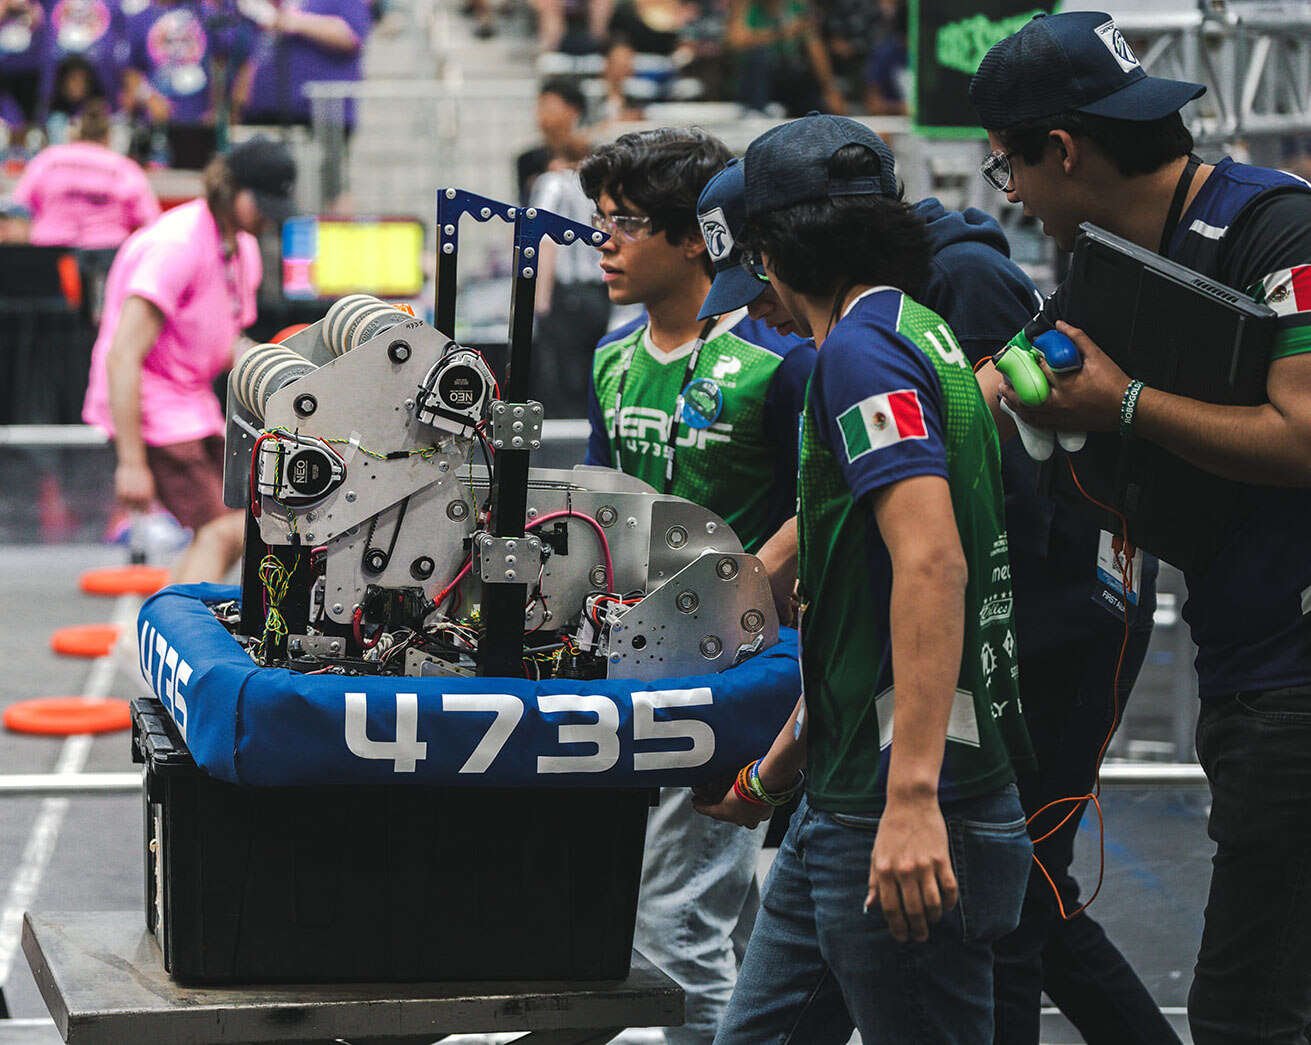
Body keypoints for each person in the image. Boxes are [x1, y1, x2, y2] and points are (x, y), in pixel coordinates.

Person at [970, 13, 1311, 1044]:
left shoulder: (1279, 226)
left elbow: (1307, 431)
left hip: (1297, 680)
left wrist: (1120, 407)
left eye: (1008, 168)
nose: (1013, 196)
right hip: (1245, 664)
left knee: (1246, 1014)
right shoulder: (1110, 268)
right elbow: (978, 399)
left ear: (1061, 151)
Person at [697, 112, 1034, 1042]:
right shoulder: (915, 329)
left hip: (905, 808)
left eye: (748, 276)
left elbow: (930, 561)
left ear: (769, 253)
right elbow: (858, 611)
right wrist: (770, 779)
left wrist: (914, 797)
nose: (750, 306)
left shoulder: (857, 354)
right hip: (842, 801)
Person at [578, 126, 815, 1045]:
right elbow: (598, 505)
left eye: (627, 222)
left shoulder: (778, 361)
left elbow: (829, 505)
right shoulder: (608, 358)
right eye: (598, 221)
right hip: (627, 669)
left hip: (736, 674)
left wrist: (754, 577)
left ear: (697, 238)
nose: (605, 242)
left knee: (677, 927)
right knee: (718, 915)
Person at [82, 137, 295, 584]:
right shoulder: (176, 246)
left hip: (190, 405)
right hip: (150, 406)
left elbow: (224, 340)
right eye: (262, 202)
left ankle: (146, 633)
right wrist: (132, 462)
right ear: (231, 188)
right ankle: (169, 638)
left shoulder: (242, 249)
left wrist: (285, 369)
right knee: (225, 527)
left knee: (250, 519)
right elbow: (122, 356)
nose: (269, 218)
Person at [10, 100, 160, 249]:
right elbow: (149, 222)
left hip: (50, 254)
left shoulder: (48, 160)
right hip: (107, 254)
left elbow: (19, 209)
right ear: (109, 137)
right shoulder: (125, 168)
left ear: (73, 134)